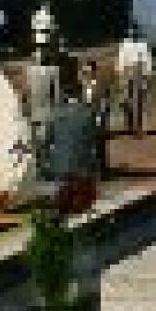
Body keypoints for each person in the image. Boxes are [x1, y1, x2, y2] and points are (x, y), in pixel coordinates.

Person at [46, 69, 102, 217]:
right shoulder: (87, 113)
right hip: (81, 168)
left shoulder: (55, 114)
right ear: (80, 94)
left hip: (59, 166)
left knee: (63, 195)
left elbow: (47, 141)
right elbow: (94, 140)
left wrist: (48, 163)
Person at [0, 67, 32, 207]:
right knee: (13, 167)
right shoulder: (9, 99)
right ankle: (6, 198)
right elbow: (17, 119)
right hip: (7, 141)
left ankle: (0, 199)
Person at [115, 23, 152, 136]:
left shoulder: (143, 44)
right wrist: (121, 75)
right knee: (128, 99)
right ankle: (130, 125)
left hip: (139, 71)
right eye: (131, 31)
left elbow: (147, 60)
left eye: (135, 31)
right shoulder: (125, 44)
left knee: (139, 101)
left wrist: (147, 74)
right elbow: (121, 60)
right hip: (127, 71)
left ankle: (139, 127)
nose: (133, 34)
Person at [79, 58, 112, 174]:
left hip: (96, 117)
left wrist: (100, 118)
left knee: (99, 145)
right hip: (85, 119)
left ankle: (102, 170)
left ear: (93, 72)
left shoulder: (99, 86)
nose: (85, 75)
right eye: (83, 72)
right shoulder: (81, 87)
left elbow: (104, 104)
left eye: (87, 72)